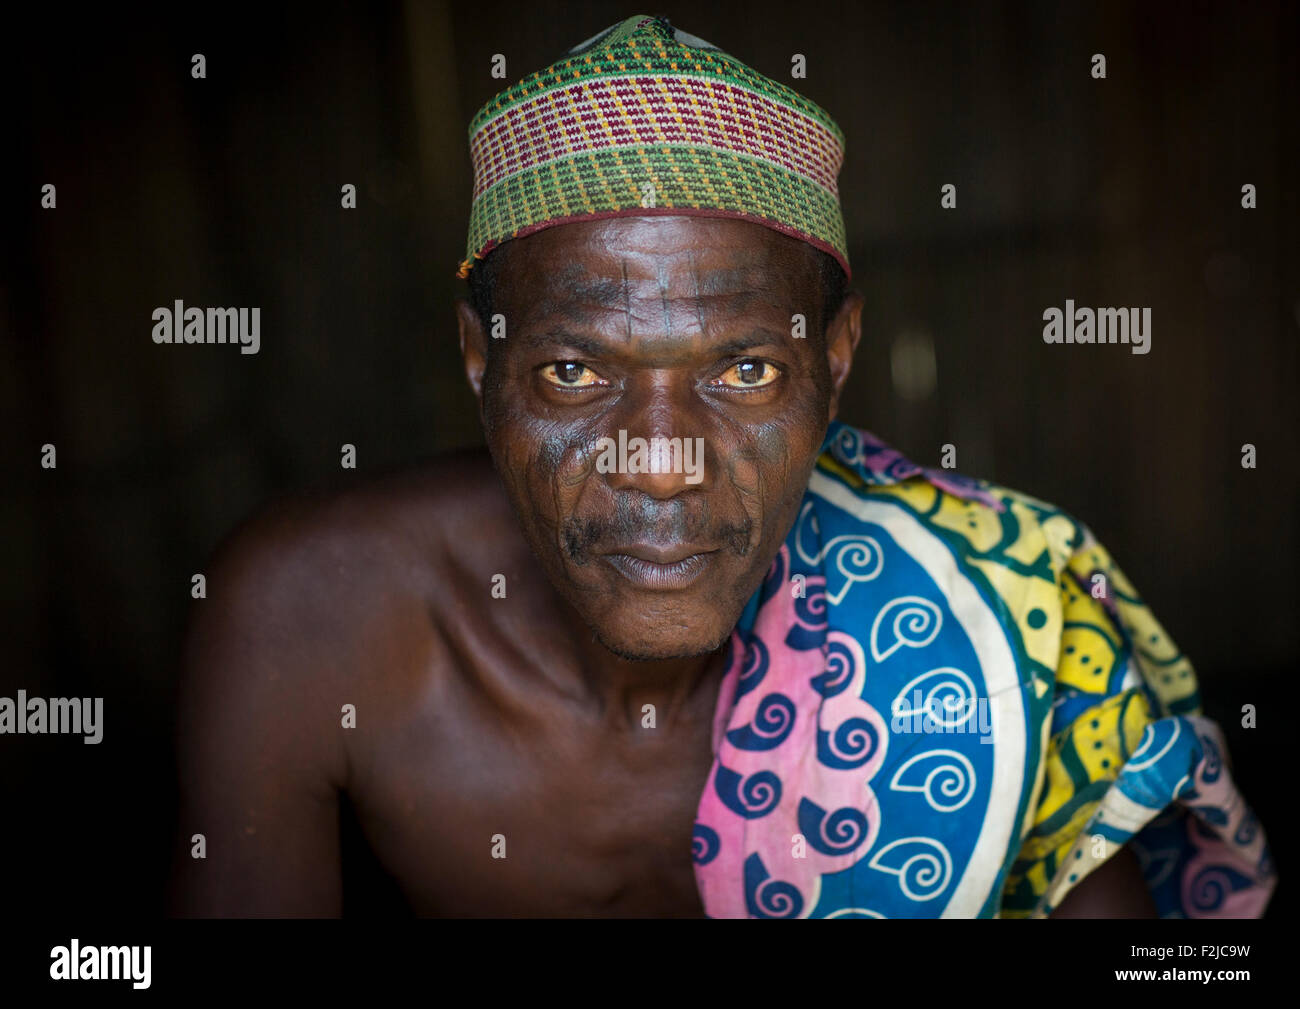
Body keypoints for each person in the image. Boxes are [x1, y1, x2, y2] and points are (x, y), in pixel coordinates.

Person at [173, 15, 1274, 918]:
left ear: (834, 360)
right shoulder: (309, 620)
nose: (660, 466)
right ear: (480, 358)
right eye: (573, 371)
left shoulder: (998, 614)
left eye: (743, 371)